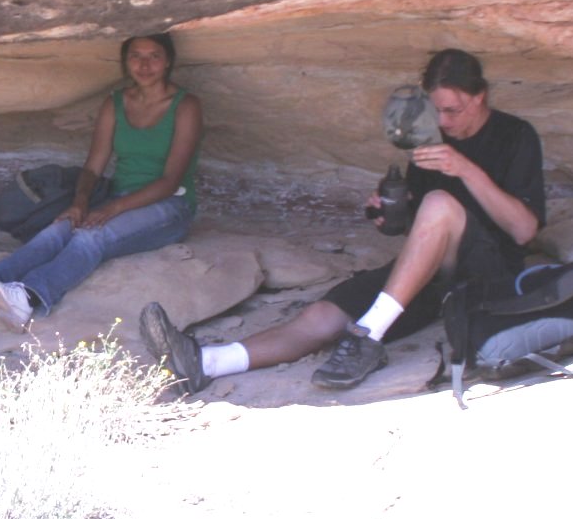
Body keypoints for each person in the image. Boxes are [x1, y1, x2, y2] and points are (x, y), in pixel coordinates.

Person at [140, 48, 542, 396]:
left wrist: (465, 170)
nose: (443, 120)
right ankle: (206, 362)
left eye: (452, 110)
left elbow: (524, 231)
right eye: (435, 110)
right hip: (429, 277)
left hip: (489, 271)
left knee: (441, 200)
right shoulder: (432, 140)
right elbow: (418, 226)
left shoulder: (515, 136)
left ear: (480, 97)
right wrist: (390, 214)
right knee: (321, 317)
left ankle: (368, 336)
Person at [0, 33, 204, 330]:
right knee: (61, 229)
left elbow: (169, 181)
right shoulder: (115, 104)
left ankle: (27, 297)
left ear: (167, 61)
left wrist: (111, 210)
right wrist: (80, 204)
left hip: (170, 205)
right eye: (136, 56)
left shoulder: (185, 105)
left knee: (91, 237)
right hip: (119, 196)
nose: (144, 64)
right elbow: (94, 165)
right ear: (125, 63)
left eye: (154, 56)